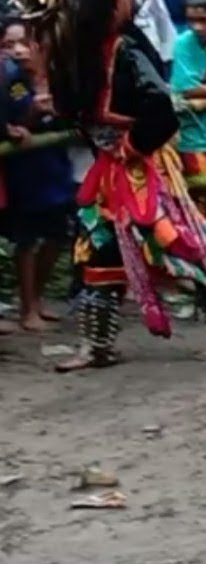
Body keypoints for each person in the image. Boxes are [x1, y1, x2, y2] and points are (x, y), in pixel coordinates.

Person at [26, 0, 206, 371]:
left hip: (147, 168)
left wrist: (128, 148)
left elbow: (162, 114)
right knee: (96, 251)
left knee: (177, 245)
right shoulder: (76, 59)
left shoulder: (126, 51)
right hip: (108, 173)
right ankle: (98, 345)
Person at [1, 16, 74, 334]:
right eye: (8, 44)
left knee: (59, 233)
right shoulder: (11, 81)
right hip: (25, 167)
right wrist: (34, 112)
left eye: (23, 43)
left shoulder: (59, 75)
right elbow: (16, 123)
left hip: (55, 162)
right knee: (27, 238)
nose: (18, 51)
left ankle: (39, 299)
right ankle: (27, 307)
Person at [170, 0, 206, 226]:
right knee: (195, 186)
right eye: (191, 20)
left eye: (203, 21)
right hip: (193, 128)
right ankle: (195, 238)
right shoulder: (183, 43)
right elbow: (187, 88)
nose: (196, 27)